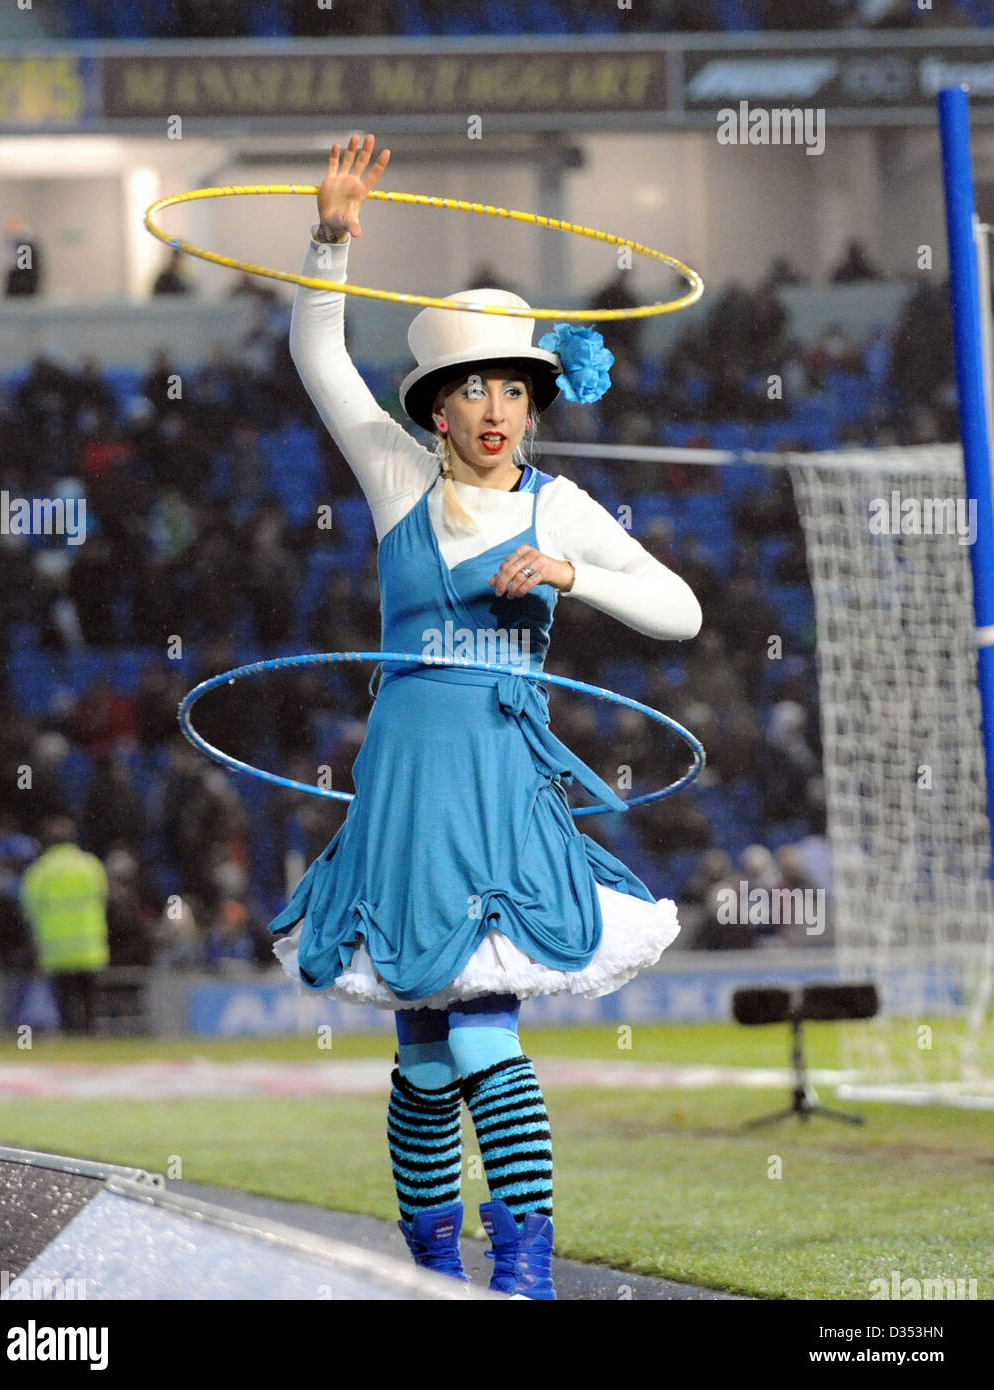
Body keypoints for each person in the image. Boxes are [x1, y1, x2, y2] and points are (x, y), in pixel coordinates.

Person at [268, 134, 702, 1299]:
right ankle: (429, 1268)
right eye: (474, 389)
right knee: (417, 1057)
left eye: (514, 386)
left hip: (499, 783)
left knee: (478, 1035)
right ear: (439, 408)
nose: (496, 406)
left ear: (532, 399)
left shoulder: (560, 509)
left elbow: (681, 610)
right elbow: (318, 355)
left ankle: (522, 1273)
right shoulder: (396, 481)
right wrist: (330, 236)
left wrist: (573, 578)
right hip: (405, 780)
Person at [19, 816, 109, 1035]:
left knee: (65, 1001)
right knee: (89, 1001)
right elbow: (103, 898)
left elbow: (28, 909)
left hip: (57, 949)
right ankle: (90, 1036)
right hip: (89, 946)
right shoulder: (90, 865)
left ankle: (70, 1036)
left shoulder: (40, 871)